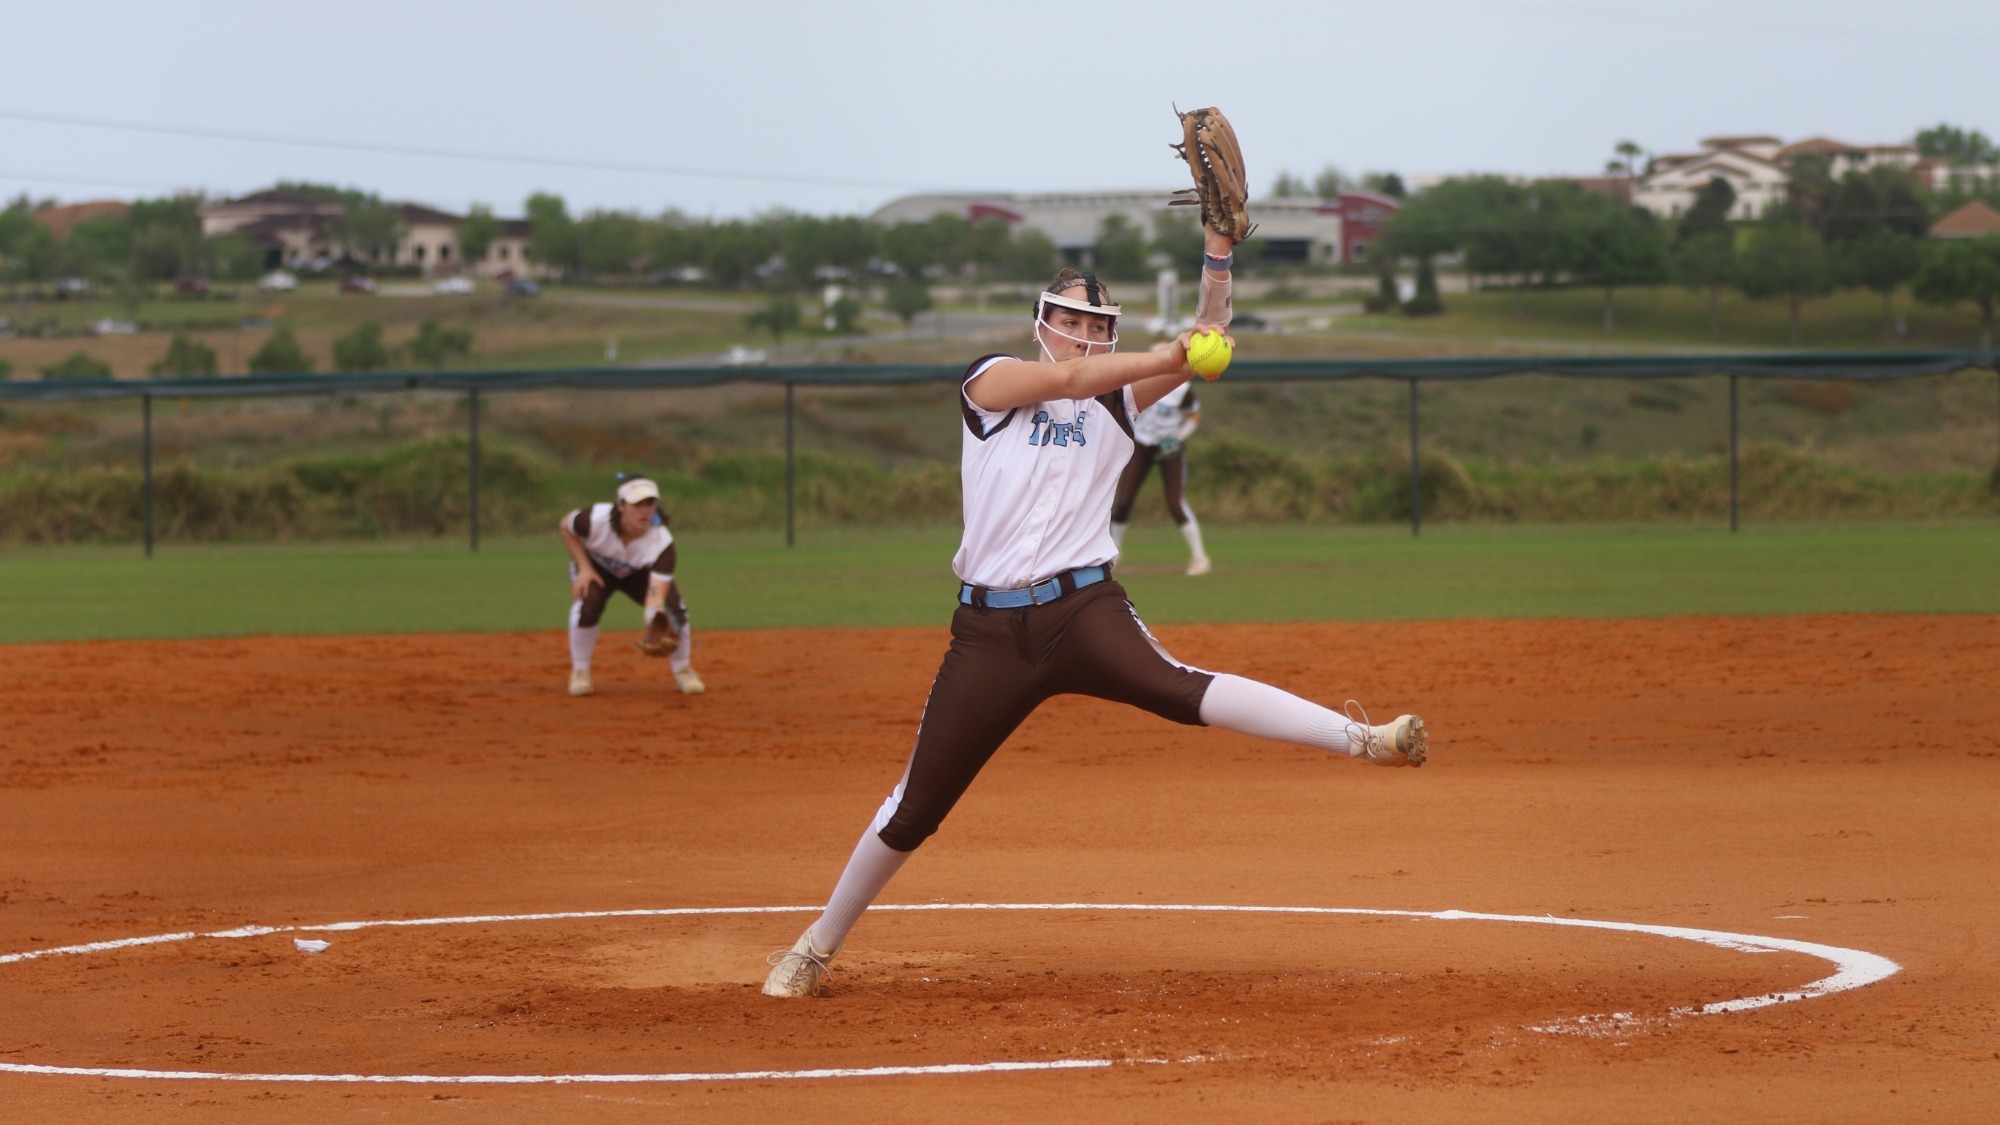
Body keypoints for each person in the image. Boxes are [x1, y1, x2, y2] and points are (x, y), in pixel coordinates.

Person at [761, 227, 1428, 999]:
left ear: (1109, 332)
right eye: (1068, 321)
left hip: (1083, 608)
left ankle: (1360, 737)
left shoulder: (1118, 398)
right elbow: (1081, 384)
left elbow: (1208, 335)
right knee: (916, 807)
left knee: (1183, 688)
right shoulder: (992, 382)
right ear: (1040, 324)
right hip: (988, 633)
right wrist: (1165, 357)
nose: (1080, 336)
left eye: (1094, 325)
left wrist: (1217, 257)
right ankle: (814, 947)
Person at [557, 475, 704, 697]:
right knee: (589, 602)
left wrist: (655, 619)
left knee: (674, 607)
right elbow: (565, 527)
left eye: (650, 503)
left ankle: (683, 670)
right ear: (621, 506)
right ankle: (580, 673)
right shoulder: (594, 519)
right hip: (597, 566)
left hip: (638, 573)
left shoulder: (662, 543)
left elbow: (655, 597)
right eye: (637, 504)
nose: (645, 511)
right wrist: (584, 567)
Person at [1109, 378, 1211, 575]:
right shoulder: (1141, 383)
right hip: (1142, 443)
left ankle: (1200, 557)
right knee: (1123, 501)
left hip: (1169, 446)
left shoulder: (1182, 389)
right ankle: (1115, 554)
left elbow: (1194, 416)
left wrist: (1179, 437)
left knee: (1175, 503)